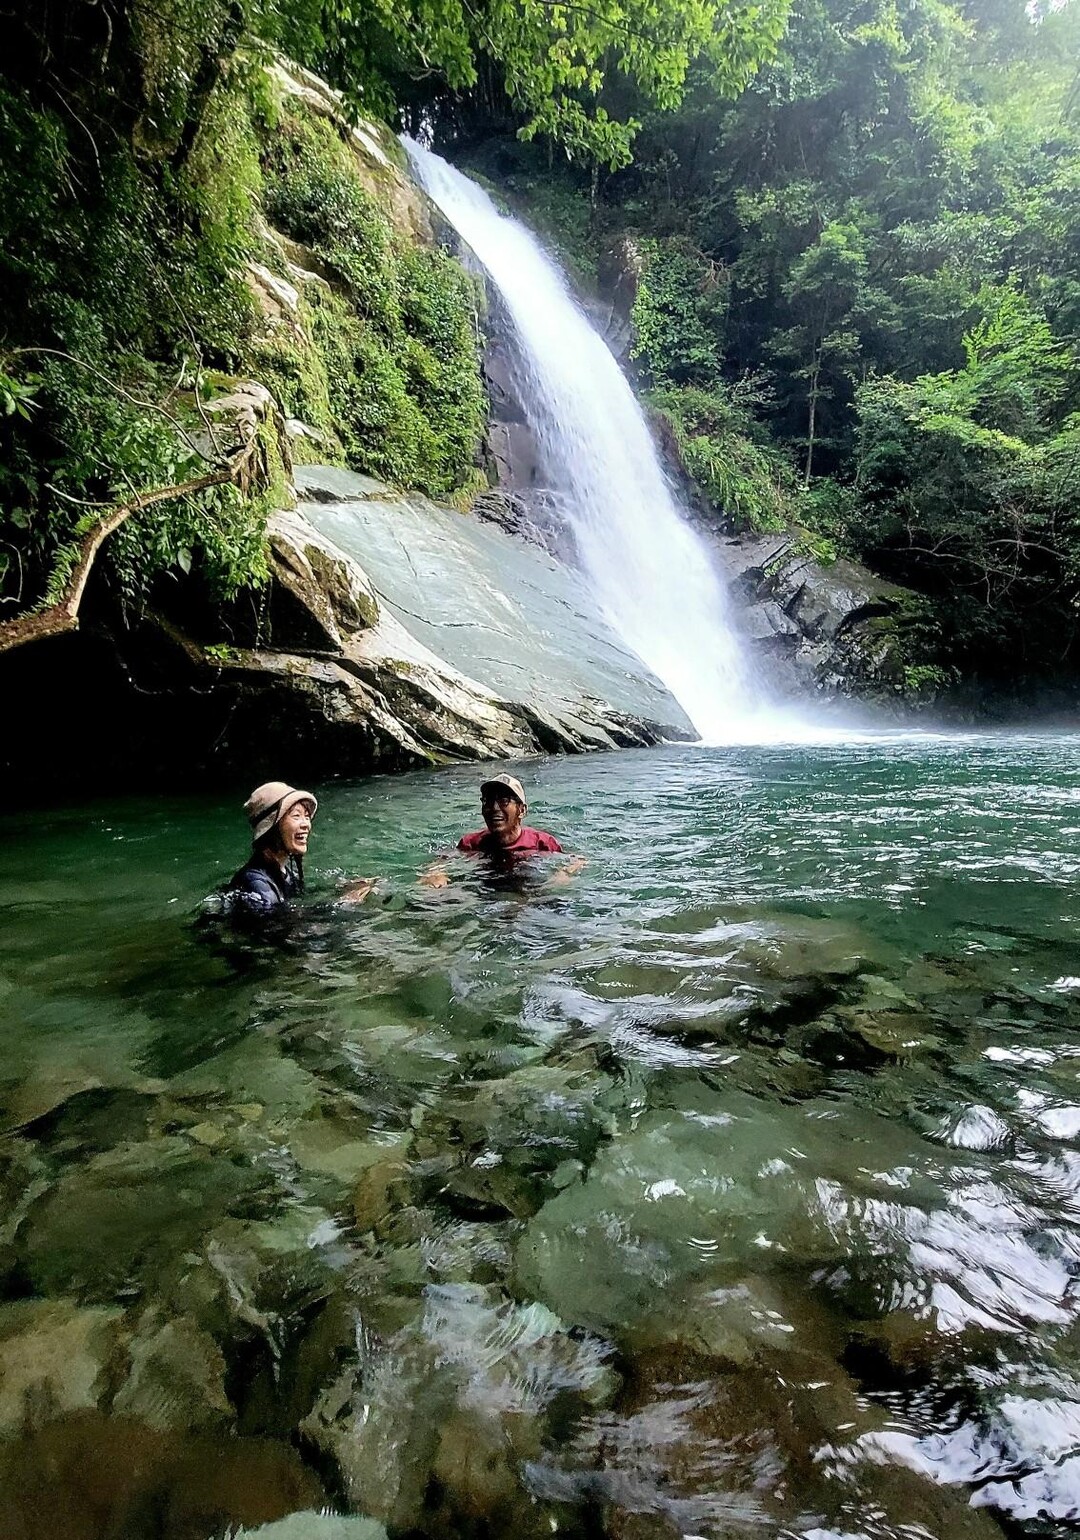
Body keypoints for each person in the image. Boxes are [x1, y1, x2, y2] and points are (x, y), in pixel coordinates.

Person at [421, 773, 584, 887]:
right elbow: (441, 859)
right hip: (486, 891)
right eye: (487, 801)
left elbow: (578, 860)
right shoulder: (471, 843)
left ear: (522, 810)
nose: (494, 808)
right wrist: (435, 872)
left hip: (531, 889)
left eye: (504, 801)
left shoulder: (542, 843)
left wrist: (564, 873)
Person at [225, 781, 318, 918]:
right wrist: (344, 903)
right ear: (271, 829)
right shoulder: (256, 883)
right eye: (296, 816)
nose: (306, 824)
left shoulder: (284, 873)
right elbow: (277, 929)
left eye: (306, 816)